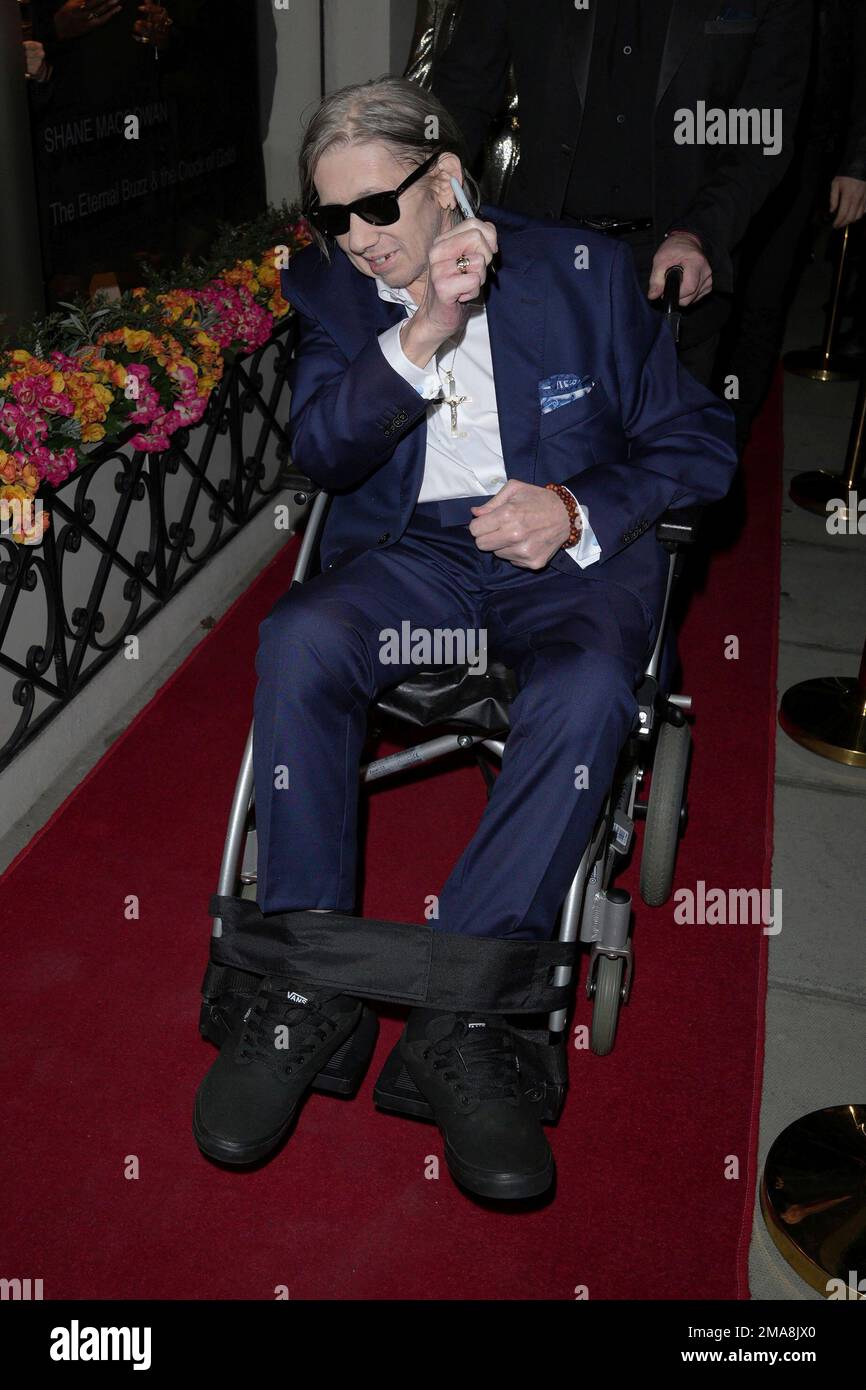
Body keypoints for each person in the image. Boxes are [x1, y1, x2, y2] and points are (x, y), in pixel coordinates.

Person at [193, 77, 737, 1202]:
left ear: (445, 182)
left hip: (564, 554)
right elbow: (325, 453)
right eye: (330, 217)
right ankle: (304, 989)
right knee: (301, 637)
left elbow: (698, 442)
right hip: (420, 557)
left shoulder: (579, 274)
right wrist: (420, 335)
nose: (355, 240)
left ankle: (469, 1018)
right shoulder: (340, 296)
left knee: (589, 686)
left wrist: (577, 511)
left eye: (375, 208)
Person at [430, 0, 812, 390]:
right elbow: (462, 89)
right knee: (534, 440)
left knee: (668, 444)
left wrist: (699, 233)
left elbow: (761, 136)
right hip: (540, 255)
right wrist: (436, 188)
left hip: (674, 270)